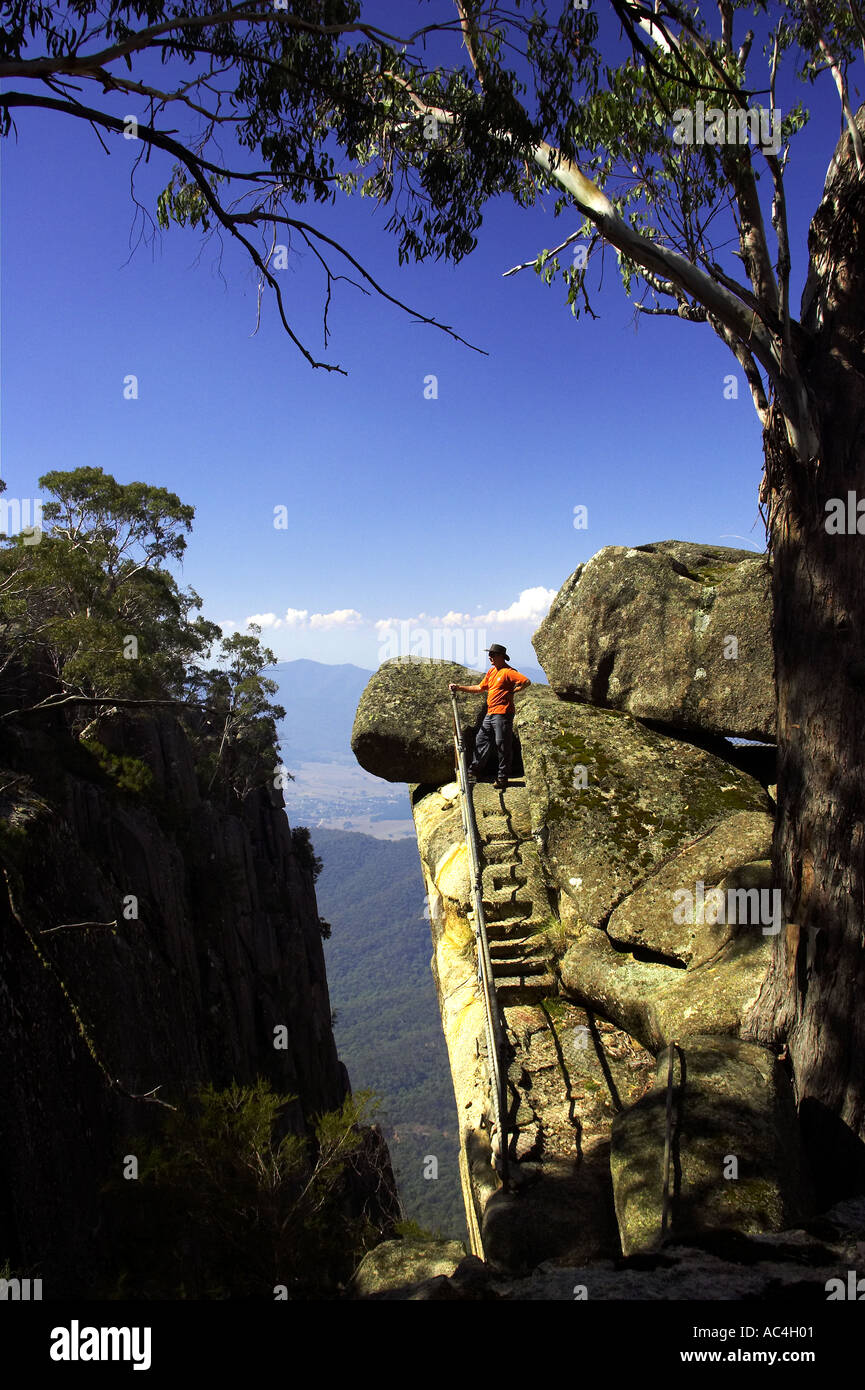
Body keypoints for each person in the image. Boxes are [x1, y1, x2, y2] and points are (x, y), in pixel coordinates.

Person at [449, 644, 531, 790]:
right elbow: (480, 688)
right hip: (490, 713)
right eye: (490, 654)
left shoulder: (508, 672)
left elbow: (526, 681)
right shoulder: (492, 672)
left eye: (493, 654)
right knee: (481, 740)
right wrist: (459, 687)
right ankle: (473, 772)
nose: (490, 657)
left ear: (501, 656)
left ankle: (502, 777)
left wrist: (514, 691)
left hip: (503, 713)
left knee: (502, 745)